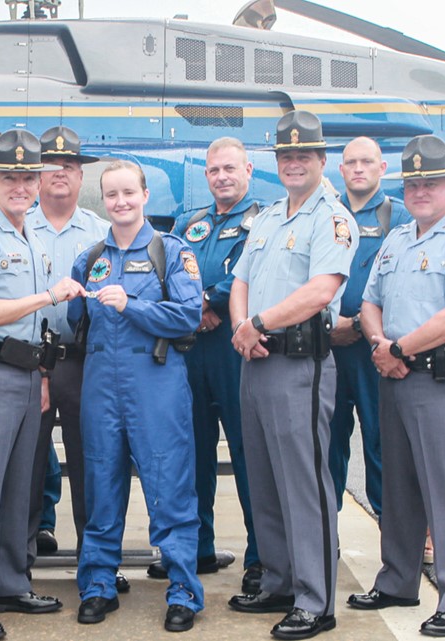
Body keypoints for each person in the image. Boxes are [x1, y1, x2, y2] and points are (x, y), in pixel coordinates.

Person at [348, 134, 445, 638]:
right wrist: (380, 345)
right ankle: (398, 580)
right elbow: (369, 303)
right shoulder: (396, 239)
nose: (421, 192)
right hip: (394, 374)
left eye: (431, 183)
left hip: (440, 380)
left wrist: (399, 349)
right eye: (413, 184)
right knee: (400, 486)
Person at [227, 110, 357, 640]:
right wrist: (242, 327)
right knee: (264, 479)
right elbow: (240, 279)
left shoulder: (332, 218)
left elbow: (321, 290)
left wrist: (258, 323)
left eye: (304, 155)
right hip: (256, 359)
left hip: (300, 365)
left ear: (321, 159)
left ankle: (315, 599)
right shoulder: (267, 217)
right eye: (286, 155)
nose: (294, 163)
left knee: (303, 483)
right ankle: (279, 581)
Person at [0, 129, 82, 641]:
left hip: (28, 376)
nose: (21, 187)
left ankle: (7, 582)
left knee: (16, 488)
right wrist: (49, 296)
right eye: (10, 178)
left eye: (29, 178)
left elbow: (38, 324)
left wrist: (43, 374)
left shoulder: (32, 238)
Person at [71, 159, 204, 632]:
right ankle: (98, 584)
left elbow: (189, 315)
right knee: (101, 483)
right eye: (111, 194)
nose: (121, 202)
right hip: (101, 386)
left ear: (145, 195)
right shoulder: (90, 258)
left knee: (169, 486)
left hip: (156, 383)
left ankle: (183, 590)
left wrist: (133, 305)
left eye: (129, 192)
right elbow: (76, 320)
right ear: (103, 200)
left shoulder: (171, 251)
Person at [163, 136, 263, 593]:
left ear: (248, 170)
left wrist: (207, 301)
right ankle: (196, 548)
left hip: (234, 348)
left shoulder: (262, 221)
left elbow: (250, 272)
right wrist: (194, 306)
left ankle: (260, 556)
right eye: (215, 170)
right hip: (190, 351)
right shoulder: (189, 223)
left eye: (230, 168)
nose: (222, 177)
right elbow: (171, 271)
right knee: (192, 453)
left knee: (248, 453)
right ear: (205, 175)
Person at [25, 125, 109, 565]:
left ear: (81, 176)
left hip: (82, 363)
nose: (60, 171)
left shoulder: (102, 233)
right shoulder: (19, 227)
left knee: (91, 464)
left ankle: (95, 561)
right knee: (25, 465)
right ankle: (16, 564)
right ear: (37, 175)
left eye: (70, 165)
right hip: (28, 362)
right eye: (51, 165)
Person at [328, 137, 410, 518]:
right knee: (327, 443)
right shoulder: (327, 215)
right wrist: (330, 325)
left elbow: (404, 283)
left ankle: (392, 528)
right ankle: (324, 534)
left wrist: (360, 324)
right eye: (351, 163)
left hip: (375, 349)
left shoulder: (399, 218)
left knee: (382, 441)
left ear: (383, 168)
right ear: (341, 170)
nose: (358, 169)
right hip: (328, 346)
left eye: (367, 162)